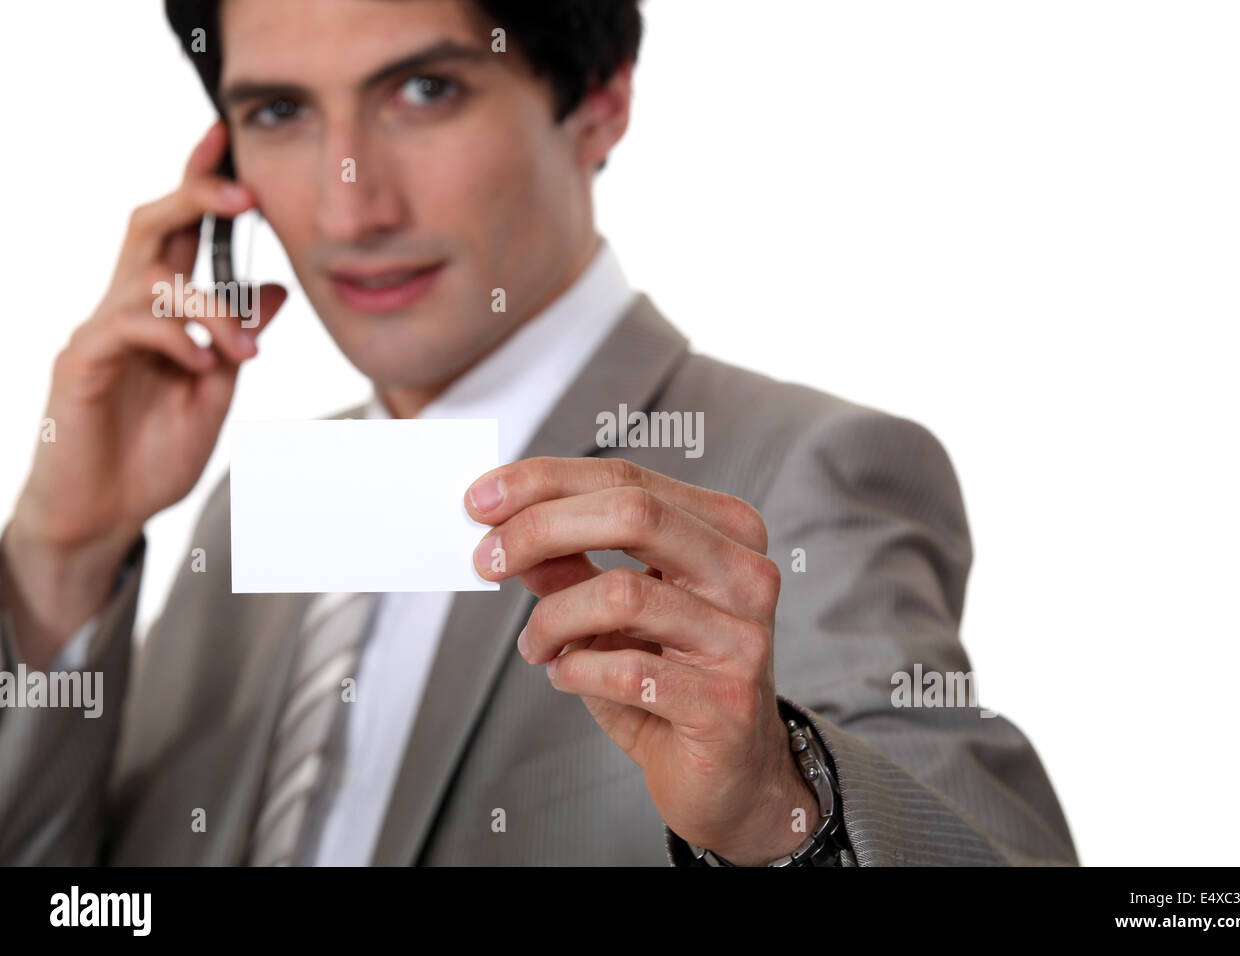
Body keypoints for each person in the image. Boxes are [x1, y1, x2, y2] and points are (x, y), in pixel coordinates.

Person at [0, 0, 1077, 866]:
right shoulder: (261, 507)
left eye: (425, 90)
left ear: (600, 101)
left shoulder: (803, 467)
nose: (349, 208)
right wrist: (61, 551)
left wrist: (775, 817)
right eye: (280, 111)